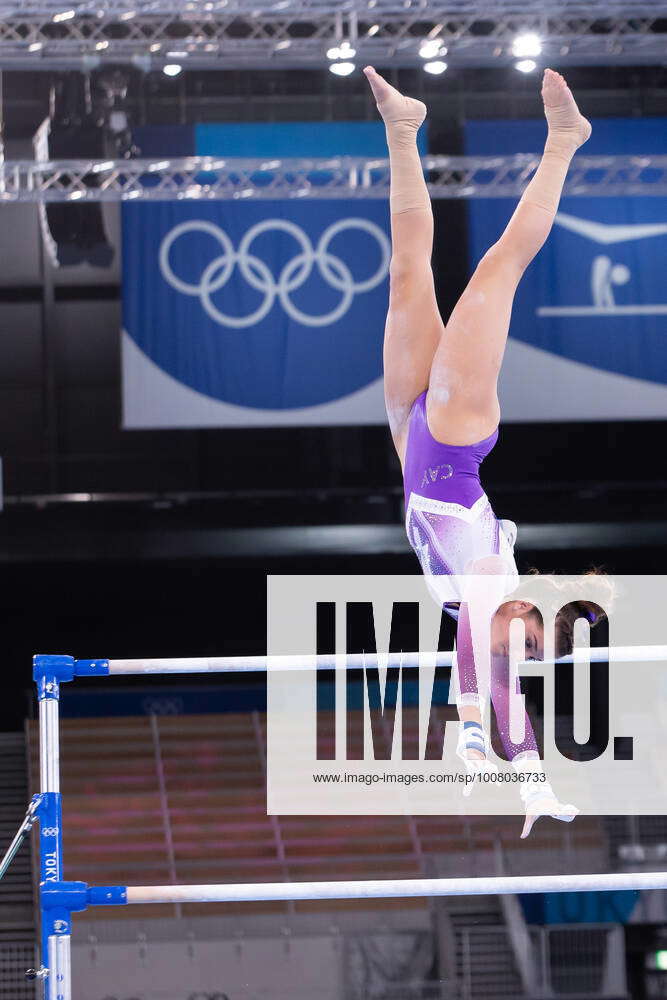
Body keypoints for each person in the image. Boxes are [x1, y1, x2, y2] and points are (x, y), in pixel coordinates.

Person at [365, 64, 593, 837]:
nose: (513, 658)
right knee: (498, 265)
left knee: (405, 274)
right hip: (455, 435)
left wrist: (526, 785)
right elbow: (489, 682)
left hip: (409, 435)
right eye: (525, 646)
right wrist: (478, 739)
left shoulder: (477, 612)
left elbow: (490, 679)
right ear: (528, 611)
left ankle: (403, 130)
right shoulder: (494, 578)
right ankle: (564, 143)